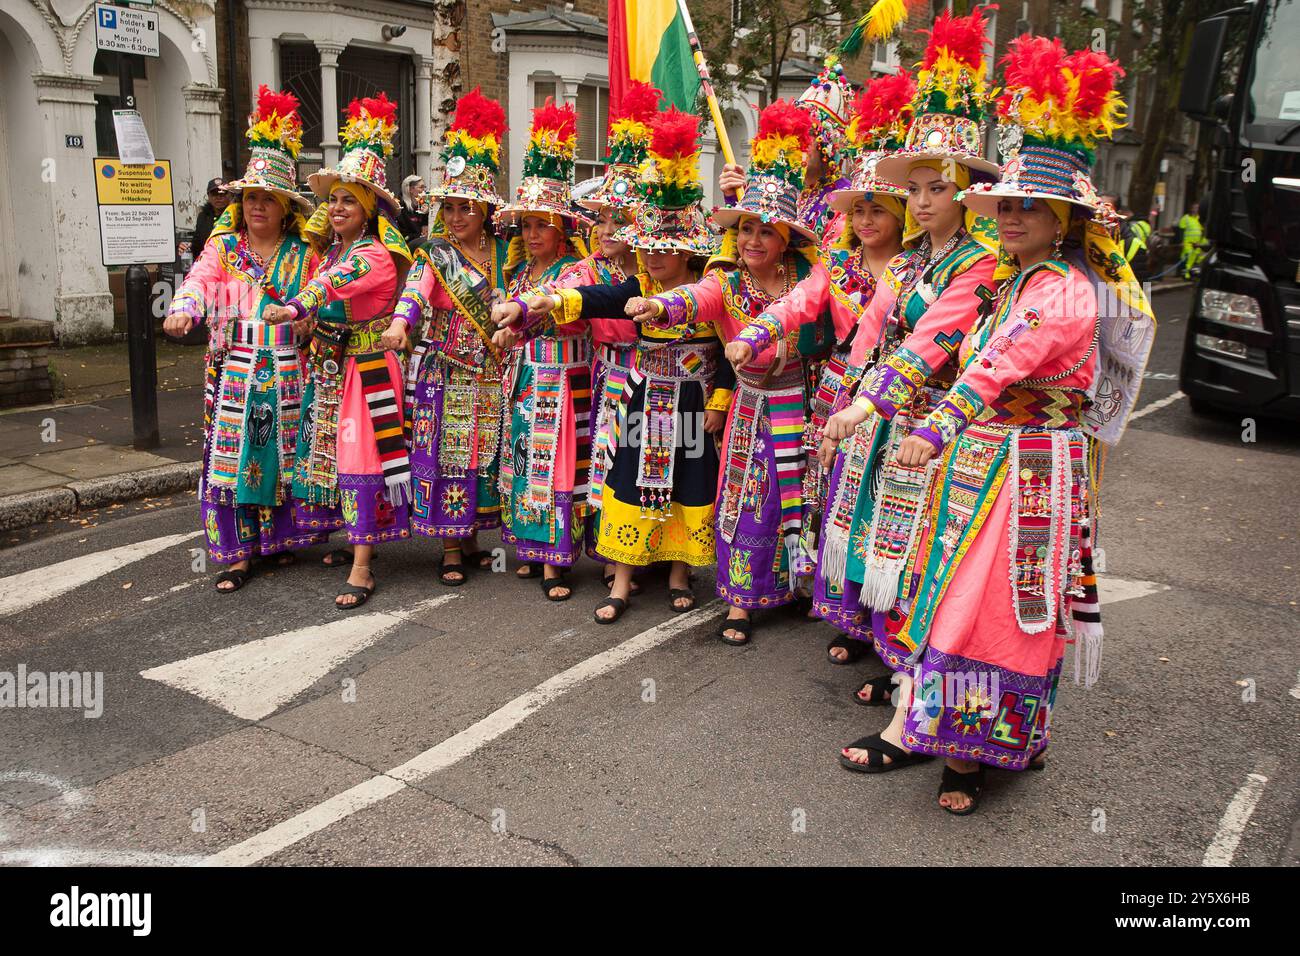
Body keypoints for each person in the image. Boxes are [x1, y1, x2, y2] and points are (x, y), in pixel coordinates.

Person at [889, 38, 1153, 814]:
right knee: (962, 595)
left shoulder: (1062, 292)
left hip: (1031, 469)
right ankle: (989, 736)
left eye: (1024, 205)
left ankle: (975, 756)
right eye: (1002, 202)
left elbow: (999, 365)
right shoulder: (1012, 283)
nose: (1007, 215)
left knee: (1001, 607)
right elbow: (945, 342)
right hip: (987, 461)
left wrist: (935, 428)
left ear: (1063, 218)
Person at [821, 7, 1001, 754]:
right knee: (877, 534)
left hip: (940, 426)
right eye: (916, 189)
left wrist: (866, 405)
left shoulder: (979, 263)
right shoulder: (910, 262)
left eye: (940, 187)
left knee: (922, 550)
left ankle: (913, 690)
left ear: (968, 193)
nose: (924, 201)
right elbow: (872, 331)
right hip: (887, 415)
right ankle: (896, 670)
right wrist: (844, 397)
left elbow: (932, 345)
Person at [495, 108, 730, 623]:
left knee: (687, 480)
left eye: (663, 253)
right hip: (640, 397)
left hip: (690, 400)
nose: (651, 260)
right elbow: (596, 296)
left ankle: (678, 573)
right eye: (646, 250)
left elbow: (725, 342)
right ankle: (621, 577)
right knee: (625, 477)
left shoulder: (713, 290)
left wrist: (718, 400)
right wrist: (545, 303)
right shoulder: (636, 286)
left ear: (689, 256)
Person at [726, 71, 914, 660]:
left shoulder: (921, 269)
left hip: (901, 401)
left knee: (891, 504)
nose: (865, 222)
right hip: (840, 394)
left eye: (878, 210)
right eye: (858, 210)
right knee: (839, 500)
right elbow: (798, 303)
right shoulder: (839, 266)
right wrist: (755, 334)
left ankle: (879, 624)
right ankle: (842, 616)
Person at [628, 100, 821, 645]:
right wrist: (659, 307)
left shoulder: (810, 279)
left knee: (796, 493)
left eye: (765, 231)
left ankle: (793, 585)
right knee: (744, 493)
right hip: (749, 401)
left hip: (795, 400)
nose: (753, 240)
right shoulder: (730, 282)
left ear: (786, 240)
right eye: (745, 230)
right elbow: (699, 296)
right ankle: (739, 600)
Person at [163, 87, 326, 592]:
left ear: (284, 207)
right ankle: (235, 553)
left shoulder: (305, 252)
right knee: (231, 456)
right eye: (250, 197)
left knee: (279, 452)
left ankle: (278, 542)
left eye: (267, 198)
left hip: (287, 366)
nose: (257, 205)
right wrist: (182, 308)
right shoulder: (224, 245)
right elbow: (200, 280)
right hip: (233, 361)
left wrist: (308, 321)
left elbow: (320, 300)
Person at [262, 93, 415, 610]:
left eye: (348, 200)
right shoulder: (337, 249)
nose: (337, 208)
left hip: (369, 369)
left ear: (368, 209)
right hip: (335, 366)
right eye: (333, 200)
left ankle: (363, 567)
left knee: (362, 460)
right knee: (330, 455)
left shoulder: (370, 255)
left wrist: (294, 308)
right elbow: (325, 276)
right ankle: (351, 542)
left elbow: (330, 286)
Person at [391, 88, 511, 586]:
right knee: (446, 454)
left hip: (489, 369)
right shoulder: (434, 253)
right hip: (445, 367)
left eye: (465, 208)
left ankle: (474, 537)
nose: (456, 217)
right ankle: (449, 547)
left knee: (484, 453)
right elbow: (414, 295)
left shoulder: (506, 253)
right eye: (449, 208)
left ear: (483, 210)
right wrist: (400, 324)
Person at [549, 81, 660, 586]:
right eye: (602, 218)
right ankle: (614, 555)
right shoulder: (584, 270)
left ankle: (653, 554)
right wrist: (530, 309)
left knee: (652, 467)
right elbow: (561, 299)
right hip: (606, 372)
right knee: (607, 463)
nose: (608, 228)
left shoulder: (660, 272)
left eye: (622, 219)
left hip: (655, 376)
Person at [493, 99, 587, 601]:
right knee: (526, 459)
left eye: (541, 225)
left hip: (563, 383)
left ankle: (556, 560)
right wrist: (512, 333)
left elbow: (551, 307)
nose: (531, 234)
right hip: (526, 377)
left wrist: (523, 315)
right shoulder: (518, 271)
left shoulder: (576, 270)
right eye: (525, 225)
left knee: (556, 466)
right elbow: (522, 312)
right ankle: (531, 547)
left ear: (563, 228)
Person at [192, 177, 230, 253]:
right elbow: (196, 245)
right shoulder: (203, 217)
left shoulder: (236, 215)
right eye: (214, 194)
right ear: (208, 196)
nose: (218, 197)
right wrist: (187, 247)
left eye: (222, 194)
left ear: (229, 195)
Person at [1178, 200, 1208, 278]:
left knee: (1196, 259)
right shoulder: (1186, 218)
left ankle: (1191, 275)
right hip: (1188, 242)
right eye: (1195, 208)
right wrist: (1181, 241)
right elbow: (1181, 230)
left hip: (1197, 243)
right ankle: (1185, 275)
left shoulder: (1199, 218)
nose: (1196, 209)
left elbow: (1202, 231)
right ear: (1191, 209)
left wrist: (1200, 242)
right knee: (1187, 257)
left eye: (1197, 208)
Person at [397, 174, 429, 245]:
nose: (424, 190)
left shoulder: (422, 204)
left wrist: (426, 214)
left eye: (424, 187)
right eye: (421, 187)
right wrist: (419, 236)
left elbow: (425, 227)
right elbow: (403, 233)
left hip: (422, 240)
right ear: (411, 189)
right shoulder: (401, 207)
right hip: (406, 243)